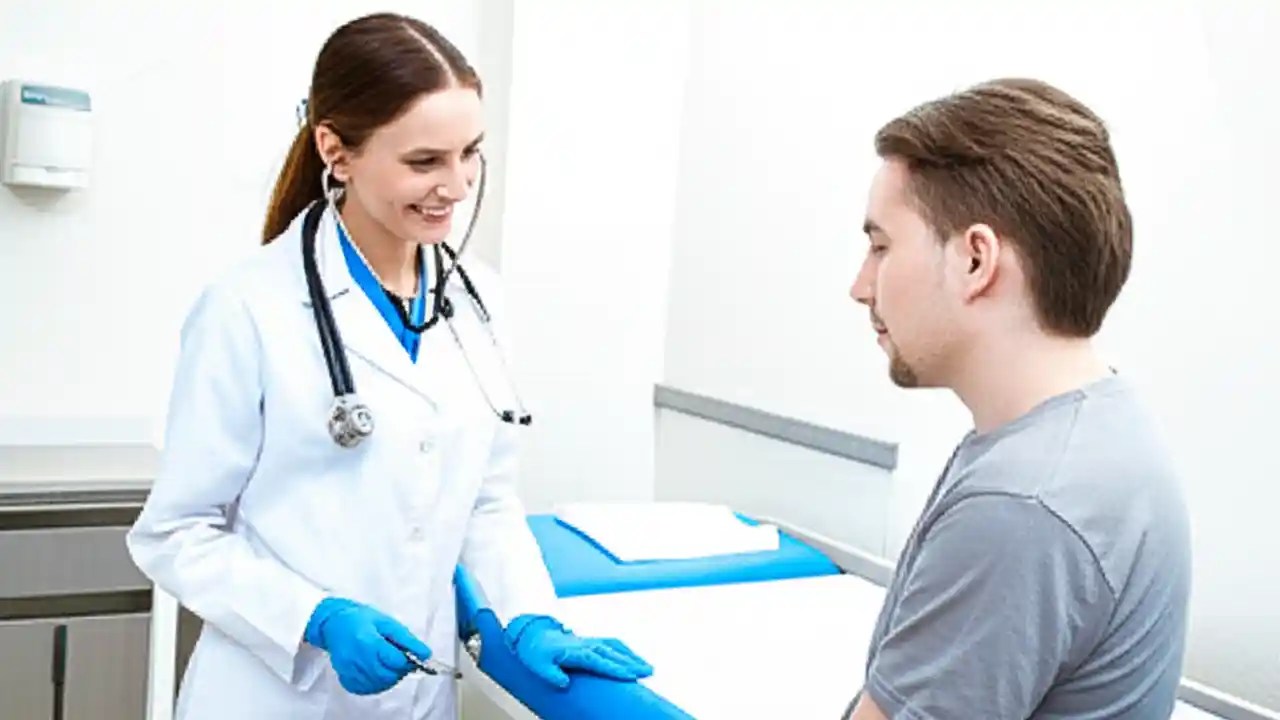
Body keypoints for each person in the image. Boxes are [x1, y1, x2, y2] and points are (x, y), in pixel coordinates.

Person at [126, 13, 651, 720]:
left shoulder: (476, 301)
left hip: (416, 696)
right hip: (273, 696)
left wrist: (528, 617)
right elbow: (177, 532)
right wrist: (316, 619)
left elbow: (487, 503)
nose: (458, 185)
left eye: (470, 153)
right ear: (336, 151)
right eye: (424, 162)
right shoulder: (247, 308)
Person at [842, 78, 1192, 719]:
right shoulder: (1099, 424)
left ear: (976, 260)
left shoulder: (1023, 503)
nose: (860, 286)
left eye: (881, 246)